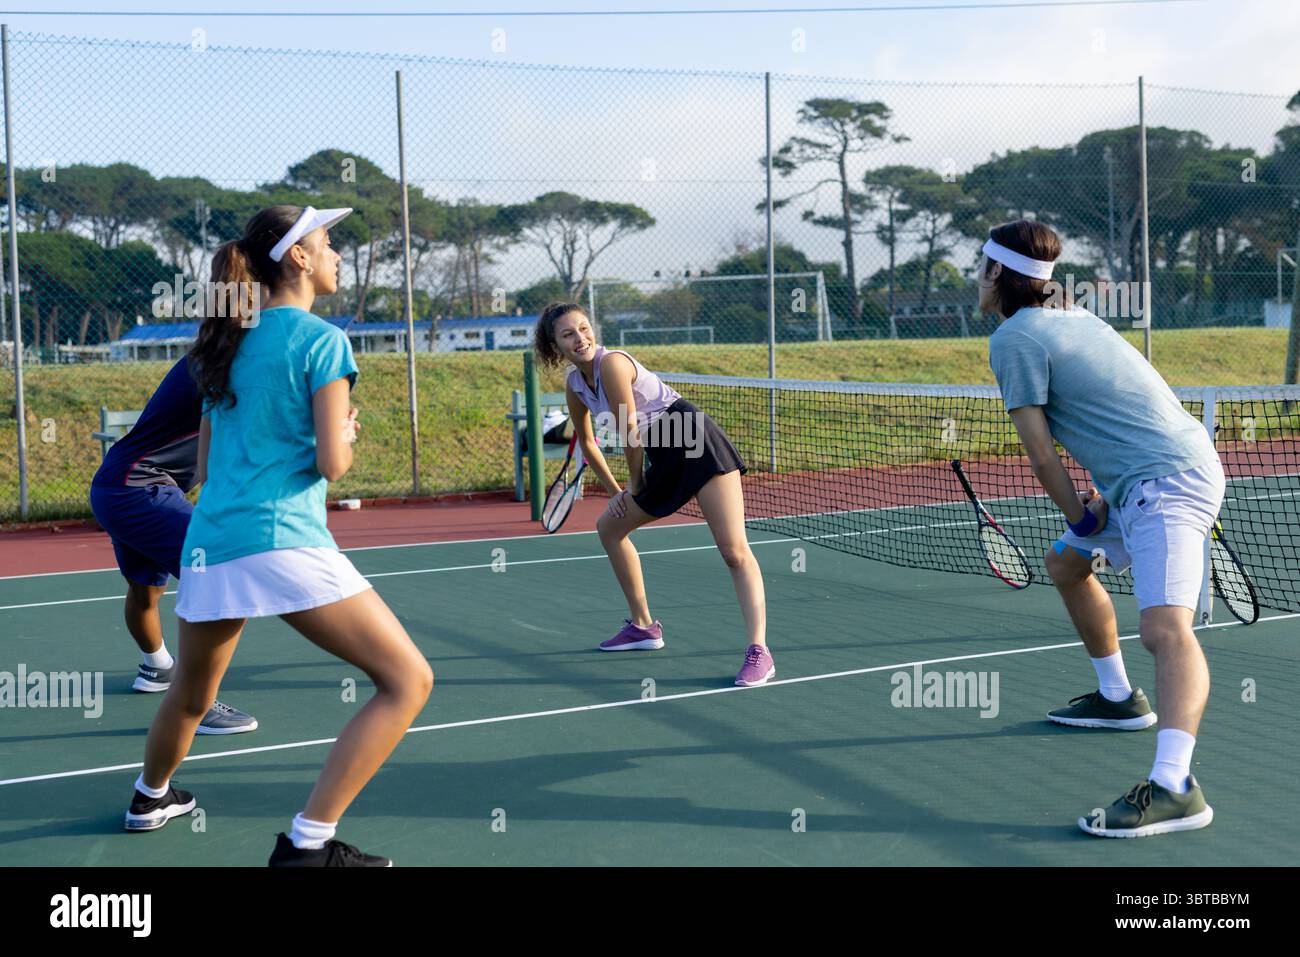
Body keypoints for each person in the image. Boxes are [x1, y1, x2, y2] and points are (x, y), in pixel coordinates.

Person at [123, 205, 433, 867]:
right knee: (407, 679)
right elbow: (331, 465)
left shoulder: (225, 346)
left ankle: (149, 796)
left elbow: (203, 468)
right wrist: (345, 433)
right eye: (328, 244)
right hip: (282, 541)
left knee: (191, 694)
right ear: (298, 258)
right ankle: (308, 843)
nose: (337, 255)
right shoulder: (324, 343)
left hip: (210, 544)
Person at [982, 219, 1224, 838]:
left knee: (1167, 631)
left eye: (978, 269)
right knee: (1066, 563)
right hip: (1150, 472)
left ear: (996, 274)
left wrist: (1080, 512)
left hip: (1165, 481)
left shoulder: (1013, 337)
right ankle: (1117, 698)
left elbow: (1039, 454)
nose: (973, 281)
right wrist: (1096, 503)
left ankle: (1175, 788)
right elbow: (1118, 398)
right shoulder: (1073, 316)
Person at [533, 302, 774, 687]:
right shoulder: (575, 385)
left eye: (583, 328)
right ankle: (644, 627)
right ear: (554, 344)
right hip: (657, 453)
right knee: (609, 528)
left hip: (693, 438)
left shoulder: (611, 364)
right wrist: (616, 491)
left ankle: (759, 650)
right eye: (568, 334)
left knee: (733, 551)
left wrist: (633, 484)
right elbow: (589, 442)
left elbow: (629, 431)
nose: (580, 338)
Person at [89, 357, 257, 734]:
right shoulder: (216, 366)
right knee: (216, 579)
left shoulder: (222, 360)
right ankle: (196, 703)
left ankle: (157, 667)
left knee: (146, 591)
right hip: (141, 487)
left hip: (117, 486)